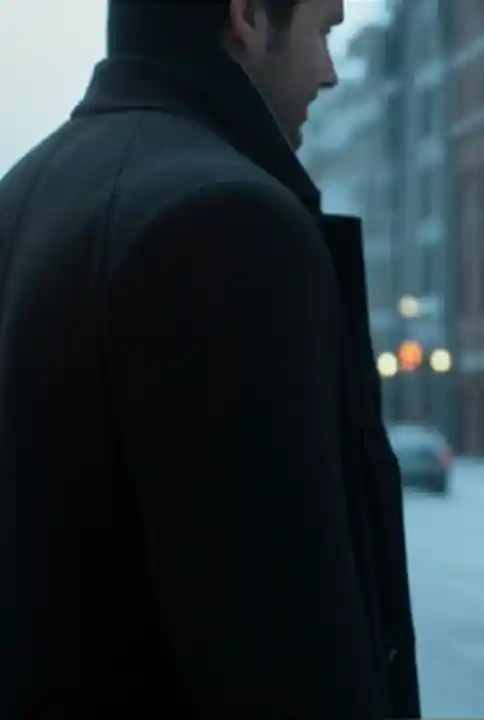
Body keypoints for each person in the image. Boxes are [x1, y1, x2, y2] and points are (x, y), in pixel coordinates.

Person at [2, 0, 419, 716]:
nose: (328, 74)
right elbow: (284, 656)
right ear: (247, 18)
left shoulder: (24, 197)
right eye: (322, 30)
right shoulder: (226, 223)